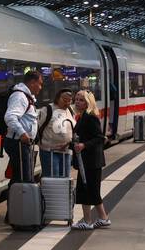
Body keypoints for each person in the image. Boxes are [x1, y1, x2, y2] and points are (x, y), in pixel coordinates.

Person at [71, 90, 109, 229]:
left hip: (90, 162)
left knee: (85, 191)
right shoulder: (82, 117)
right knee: (92, 191)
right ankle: (103, 218)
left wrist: (84, 145)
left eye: (81, 100)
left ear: (88, 102)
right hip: (89, 161)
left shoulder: (90, 117)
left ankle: (87, 221)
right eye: (76, 99)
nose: (77, 102)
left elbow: (100, 137)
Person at [2, 68, 42, 184]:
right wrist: (22, 133)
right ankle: (18, 200)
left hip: (21, 143)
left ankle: (19, 200)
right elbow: (10, 117)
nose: (41, 87)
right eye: (40, 84)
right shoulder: (20, 96)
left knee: (21, 176)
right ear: (32, 82)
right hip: (18, 143)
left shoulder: (26, 96)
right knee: (23, 178)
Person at [39, 89, 75, 177]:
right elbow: (37, 128)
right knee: (52, 179)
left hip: (66, 151)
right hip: (50, 152)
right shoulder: (47, 110)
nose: (67, 103)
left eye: (69, 101)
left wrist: (69, 143)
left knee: (65, 179)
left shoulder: (70, 110)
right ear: (57, 98)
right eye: (64, 100)